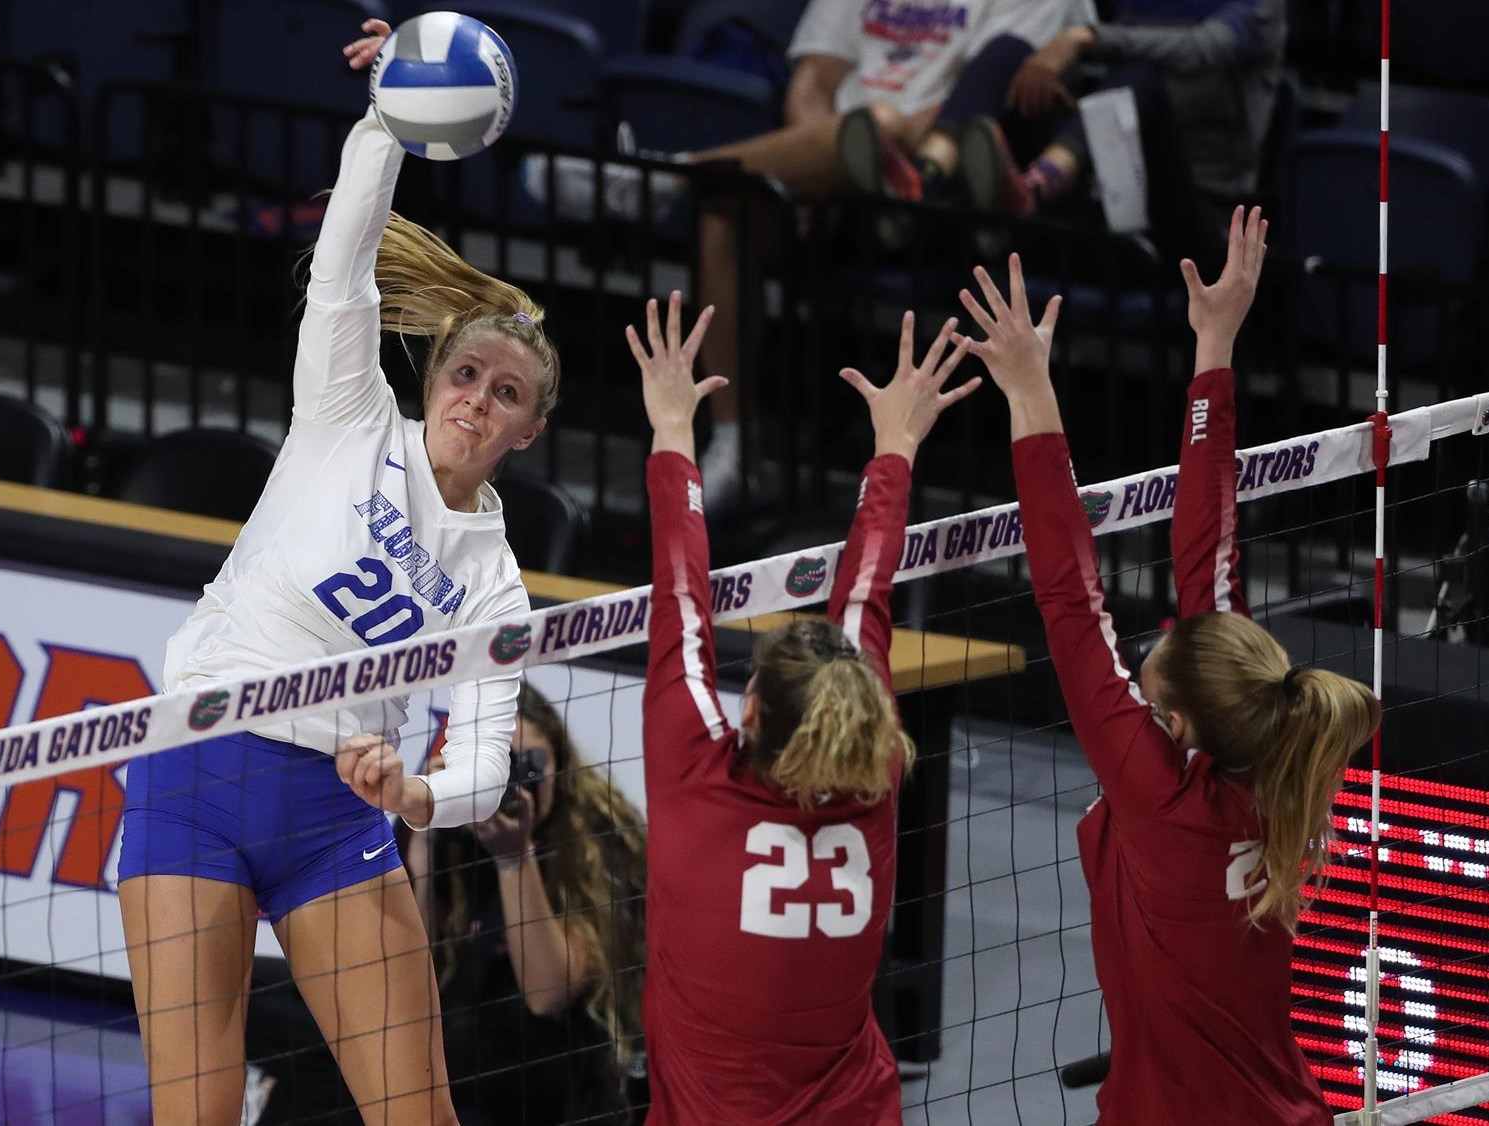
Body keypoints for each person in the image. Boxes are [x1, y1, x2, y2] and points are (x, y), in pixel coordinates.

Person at [116, 19, 560, 1125]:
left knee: (420, 1118)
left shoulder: (495, 582)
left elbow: (482, 762)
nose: (475, 400)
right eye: (465, 373)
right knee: (198, 1115)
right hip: (195, 774)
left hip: (336, 814)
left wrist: (411, 792)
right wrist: (385, 121)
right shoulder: (347, 419)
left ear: (528, 431)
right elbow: (343, 273)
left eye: (506, 394)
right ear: (432, 377)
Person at [957, 210, 1379, 1124]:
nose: (1137, 675)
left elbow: (1074, 601)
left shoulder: (1161, 791)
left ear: (1177, 729)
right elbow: (1206, 545)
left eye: (1147, 685)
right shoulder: (1266, 750)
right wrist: (1215, 343)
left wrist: (1031, 392)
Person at [628, 291, 980, 1123]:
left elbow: (685, 589)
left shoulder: (701, 767)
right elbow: (861, 596)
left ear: (748, 714)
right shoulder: (877, 769)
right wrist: (896, 444)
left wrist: (674, 428)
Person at [528, 0, 1077, 513]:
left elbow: (983, 99)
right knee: (726, 214)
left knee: (877, 123)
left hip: (939, 194)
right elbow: (813, 78)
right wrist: (819, 158)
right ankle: (736, 448)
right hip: (832, 179)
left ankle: (667, 177)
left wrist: (886, 140)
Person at [240, 685, 650, 1126]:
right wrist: (426, 840)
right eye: (493, 764)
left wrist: (515, 856)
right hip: (430, 1029)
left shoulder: (595, 844)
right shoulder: (445, 821)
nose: (506, 779)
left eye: (523, 764)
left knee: (374, 1058)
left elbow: (549, 995)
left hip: (534, 1060)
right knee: (257, 993)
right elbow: (391, 966)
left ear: (559, 764)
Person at [940, 0, 1287, 267]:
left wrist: (1085, 39)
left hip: (1193, 215)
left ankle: (1034, 190)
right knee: (1008, 52)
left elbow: (1203, 49)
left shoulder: (1260, 8)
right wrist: (1064, 88)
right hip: (1110, 190)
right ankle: (929, 185)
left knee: (1142, 76)